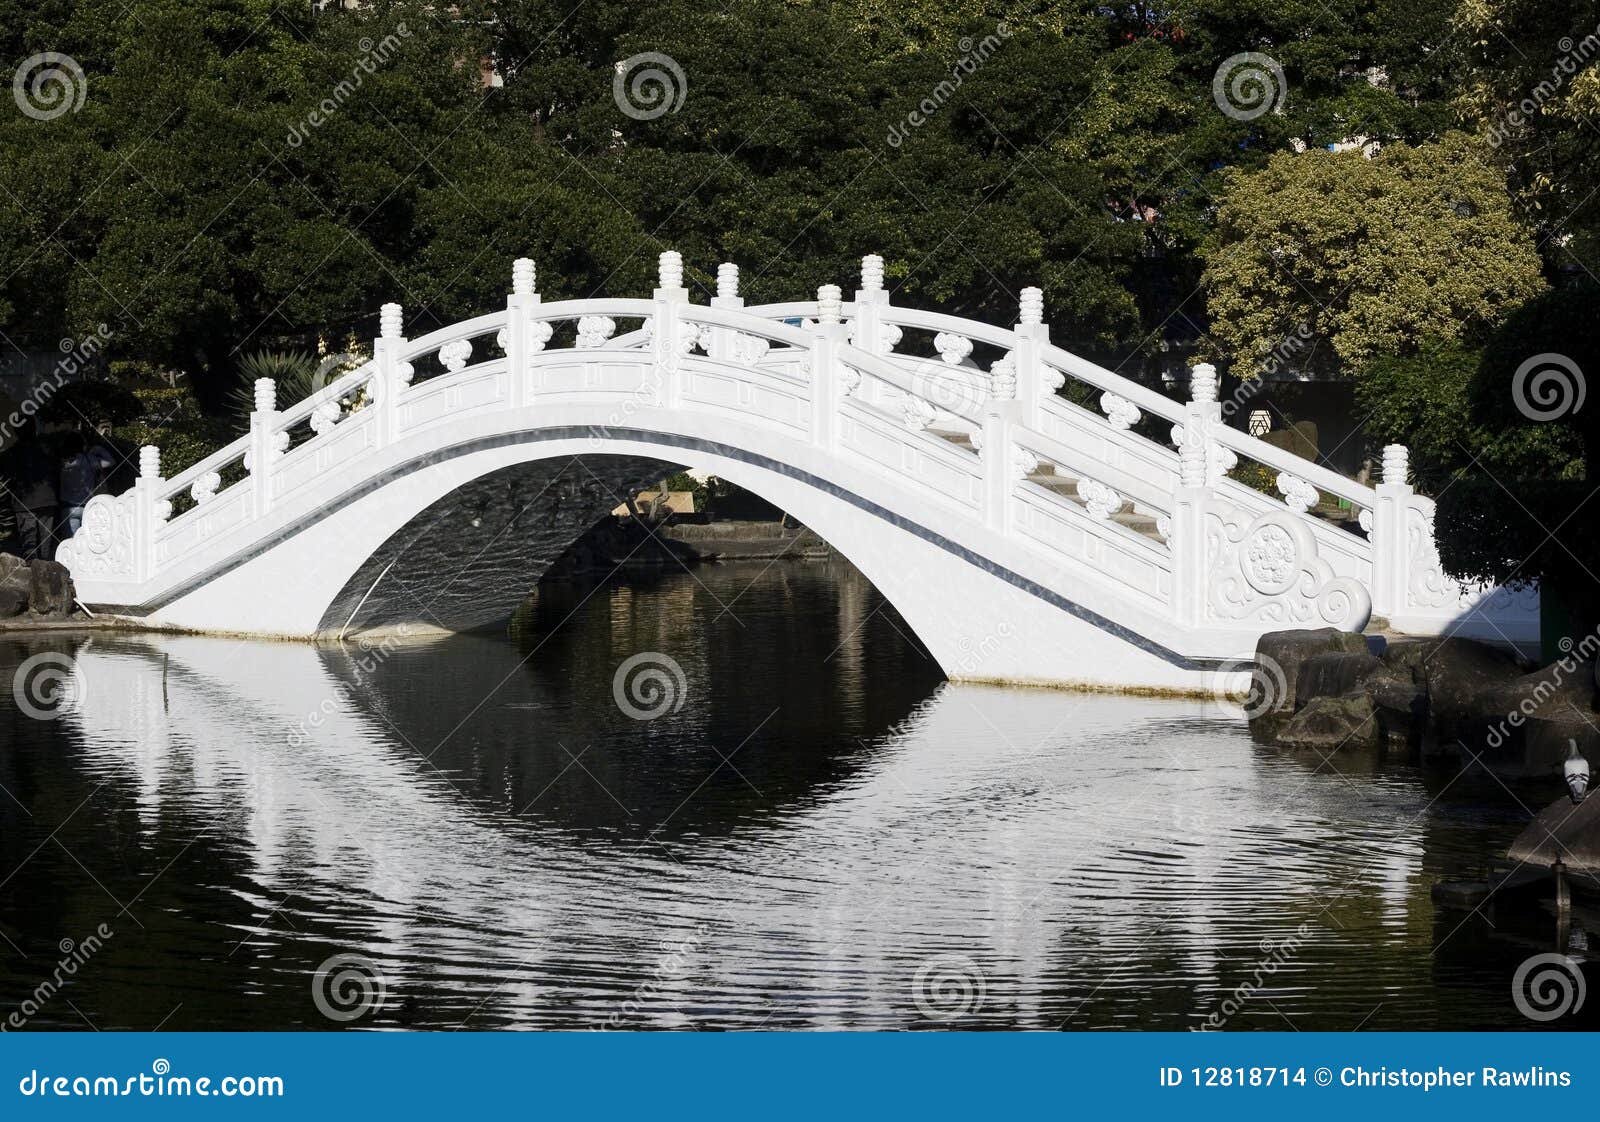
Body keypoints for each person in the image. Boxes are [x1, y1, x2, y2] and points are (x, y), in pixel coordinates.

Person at [6, 422, 60, 560]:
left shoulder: (13, 452)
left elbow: (7, 474)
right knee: (46, 542)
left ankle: (33, 572)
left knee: (29, 543)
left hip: (24, 502)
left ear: (17, 431)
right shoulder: (47, 448)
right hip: (47, 499)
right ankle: (45, 570)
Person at [59, 429, 116, 537]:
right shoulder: (91, 460)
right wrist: (97, 449)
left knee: (71, 542)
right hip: (87, 506)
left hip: (68, 507)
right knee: (87, 542)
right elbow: (111, 461)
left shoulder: (62, 461)